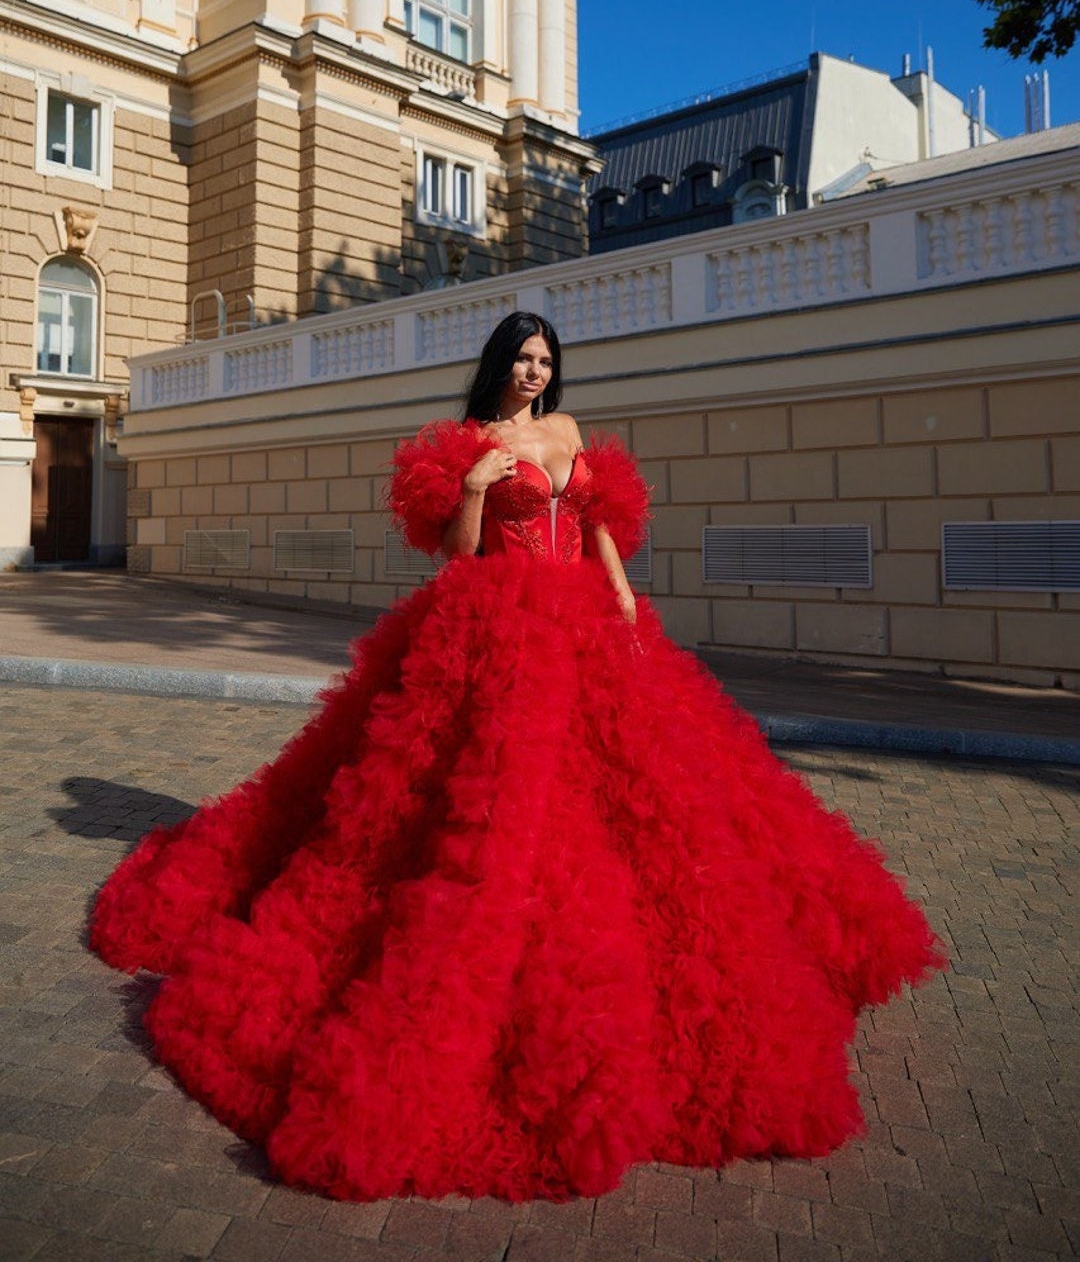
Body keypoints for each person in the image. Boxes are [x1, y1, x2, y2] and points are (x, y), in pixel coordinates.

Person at [91, 311, 944, 1204]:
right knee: (481, 809)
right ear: (499, 365)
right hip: (499, 630)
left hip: (588, 622)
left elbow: (597, 517)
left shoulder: (570, 432)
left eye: (546, 360)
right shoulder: (473, 442)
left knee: (664, 797)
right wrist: (471, 486)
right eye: (524, 359)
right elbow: (457, 560)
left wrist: (620, 593)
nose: (536, 372)